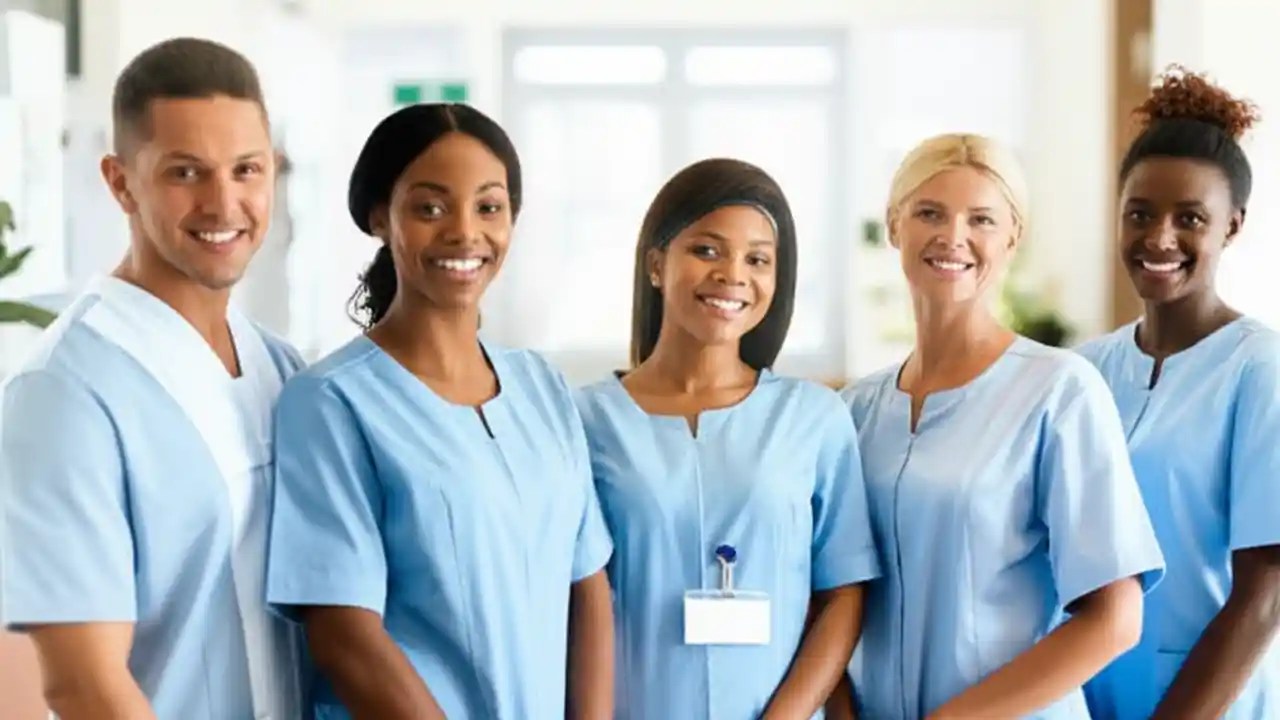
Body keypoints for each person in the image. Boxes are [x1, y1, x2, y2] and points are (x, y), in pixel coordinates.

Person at [265, 103, 615, 720]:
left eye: (488, 207)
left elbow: (585, 583)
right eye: (430, 208)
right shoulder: (331, 401)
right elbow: (344, 632)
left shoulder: (543, 388)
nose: (464, 232)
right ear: (381, 217)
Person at [0, 37, 309, 719]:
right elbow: (84, 686)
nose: (224, 204)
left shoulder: (279, 366)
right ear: (119, 182)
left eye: (246, 170)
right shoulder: (65, 394)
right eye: (185, 173)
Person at [837, 133, 1166, 719]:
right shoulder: (855, 410)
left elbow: (1115, 619)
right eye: (929, 213)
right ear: (894, 227)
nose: (952, 236)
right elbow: (830, 601)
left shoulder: (1059, 391)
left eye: (981, 219)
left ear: (1012, 237)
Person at [574, 158, 880, 719]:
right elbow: (574, 599)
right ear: (656, 264)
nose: (733, 274)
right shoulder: (586, 420)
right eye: (707, 250)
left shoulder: (813, 417)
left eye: (757, 258)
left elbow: (843, 594)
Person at [1078, 67, 1280, 720]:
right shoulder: (1084, 372)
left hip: (1208, 703)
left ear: (1232, 226)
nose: (1159, 238)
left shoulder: (1259, 370)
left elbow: (1266, 594)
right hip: (1085, 695)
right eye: (1140, 213)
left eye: (1190, 217)